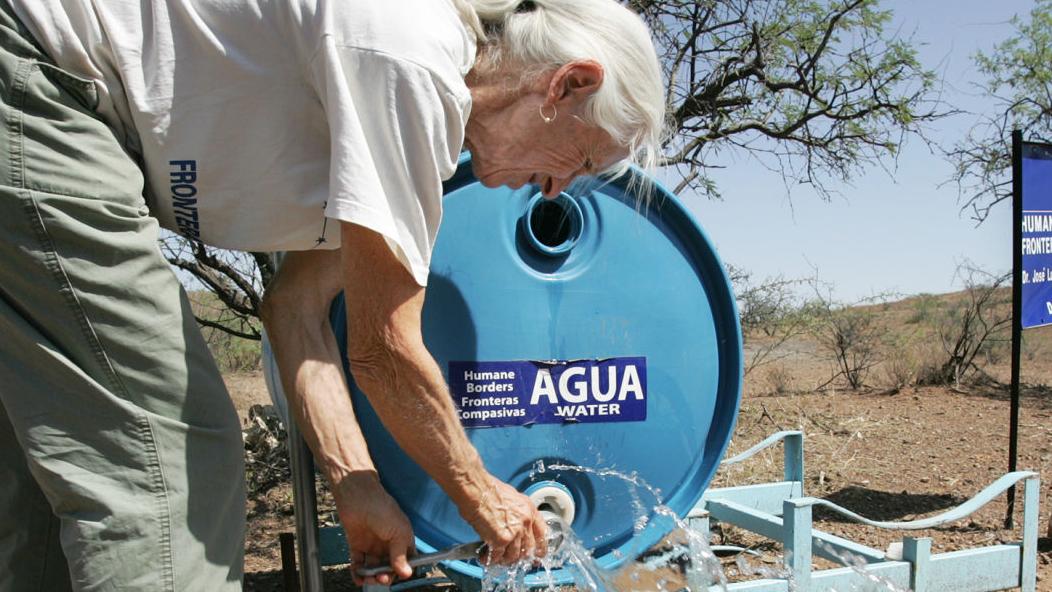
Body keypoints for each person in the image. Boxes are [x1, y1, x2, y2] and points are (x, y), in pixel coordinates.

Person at [0, 0, 665, 589]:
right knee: (174, 458)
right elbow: (383, 352)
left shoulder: (403, 117)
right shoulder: (415, 58)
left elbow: (296, 311)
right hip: (44, 78)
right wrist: (480, 496)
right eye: (579, 160)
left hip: (46, 92)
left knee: (59, 470)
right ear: (569, 84)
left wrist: (358, 480)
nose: (554, 191)